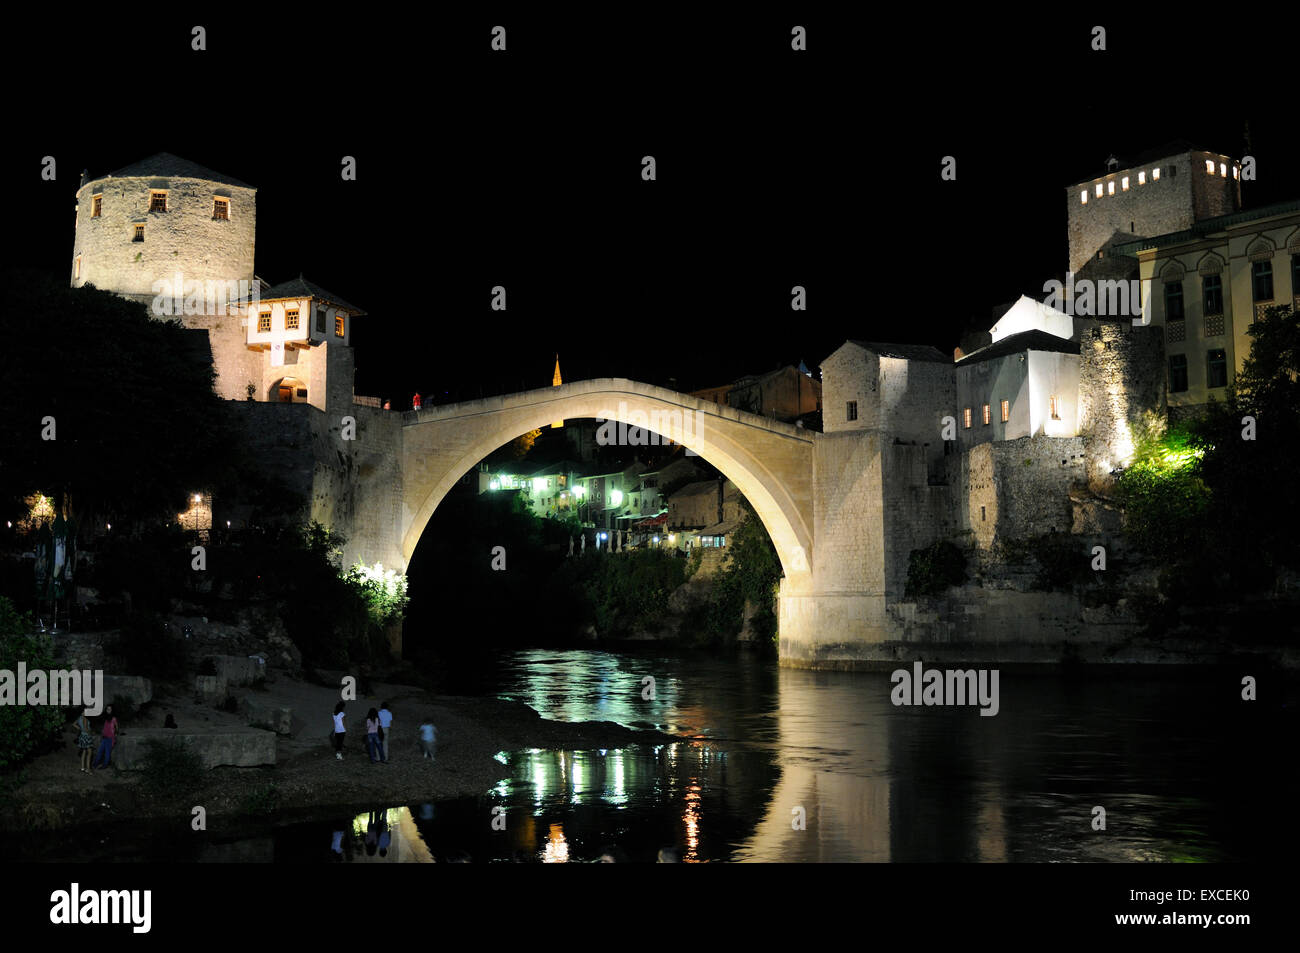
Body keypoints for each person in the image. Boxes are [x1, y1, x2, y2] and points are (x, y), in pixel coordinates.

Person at [92, 705, 119, 770]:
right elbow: (104, 728)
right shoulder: (105, 718)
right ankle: (95, 764)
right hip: (104, 737)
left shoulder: (114, 718)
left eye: (109, 709)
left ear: (112, 710)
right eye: (107, 709)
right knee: (100, 751)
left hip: (110, 739)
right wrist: (102, 734)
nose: (108, 710)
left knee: (107, 753)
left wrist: (115, 734)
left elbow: (117, 727)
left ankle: (104, 766)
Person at [73, 709, 94, 774]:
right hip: (86, 737)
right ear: (82, 713)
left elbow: (73, 724)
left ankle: (82, 767)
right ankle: (88, 769)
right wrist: (91, 733)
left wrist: (79, 728)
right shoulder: (85, 719)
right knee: (89, 753)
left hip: (82, 736)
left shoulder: (79, 718)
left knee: (84, 752)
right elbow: (86, 729)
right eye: (85, 711)